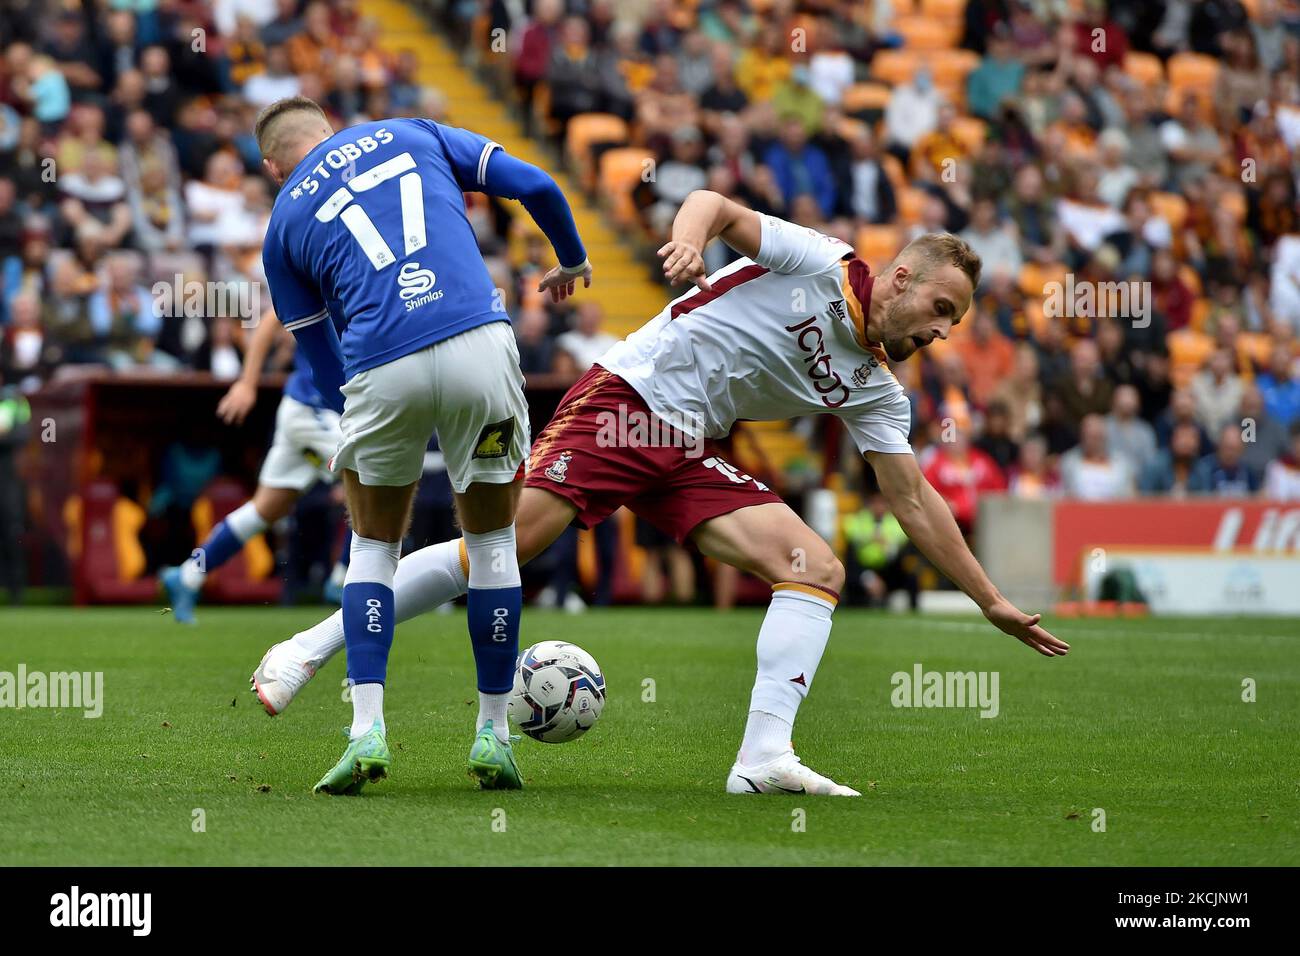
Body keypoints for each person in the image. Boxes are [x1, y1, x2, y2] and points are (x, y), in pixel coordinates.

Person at [253, 190, 1068, 798]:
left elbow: (915, 503)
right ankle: (306, 649)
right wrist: (685, 244)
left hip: (686, 449)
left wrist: (990, 599)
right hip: (627, 403)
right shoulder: (824, 260)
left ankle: (761, 759)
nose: (942, 330)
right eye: (939, 308)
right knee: (501, 550)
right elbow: (713, 205)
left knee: (814, 568)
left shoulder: (879, 391)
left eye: (954, 322)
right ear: (898, 279)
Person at [252, 97, 592, 794]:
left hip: (381, 363)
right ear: (330, 126)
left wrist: (366, 405)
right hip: (479, 340)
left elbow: (319, 357)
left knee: (375, 550)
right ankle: (493, 736)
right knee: (494, 546)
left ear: (271, 166)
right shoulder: (411, 131)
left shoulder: (284, 220)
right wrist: (571, 258)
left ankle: (365, 730)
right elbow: (539, 186)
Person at [160, 310, 351, 622]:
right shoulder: (329, 270)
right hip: (314, 410)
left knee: (266, 508)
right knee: (376, 473)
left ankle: (189, 574)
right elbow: (268, 322)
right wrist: (248, 383)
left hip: (316, 411)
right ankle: (343, 580)